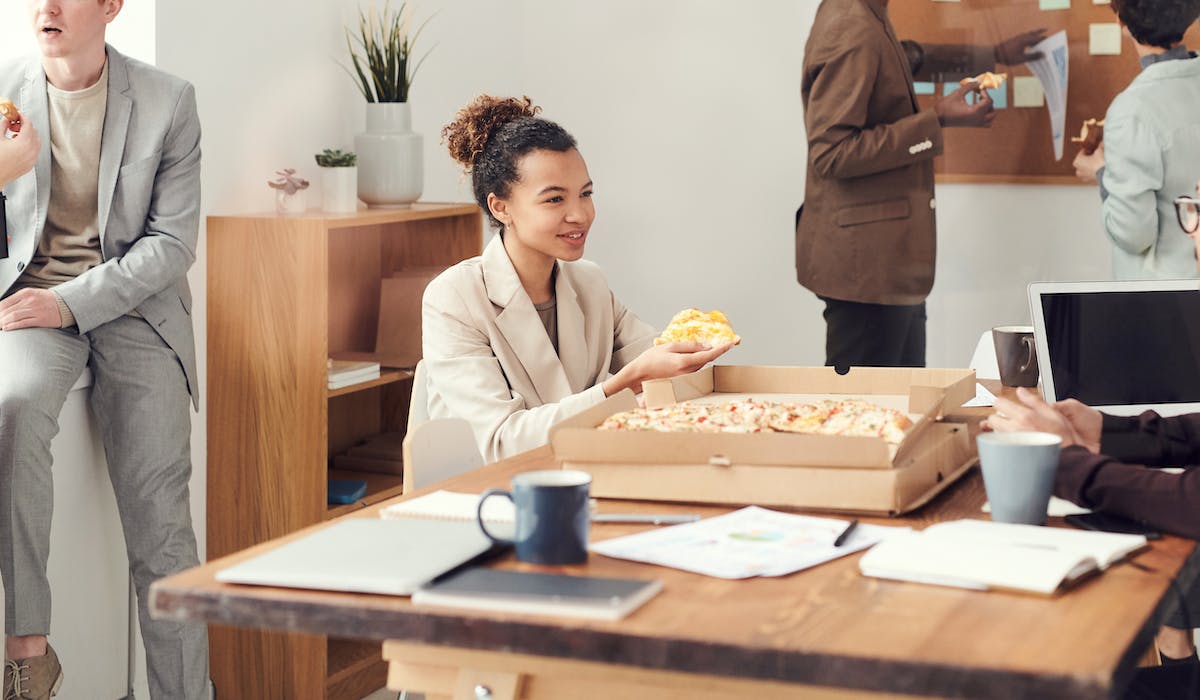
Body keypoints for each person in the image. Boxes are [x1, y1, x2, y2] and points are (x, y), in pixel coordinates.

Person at [0, 0, 208, 698]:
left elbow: (172, 245)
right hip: (30, 302)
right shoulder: (2, 91)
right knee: (13, 406)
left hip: (134, 310)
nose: (45, 8)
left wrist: (72, 301)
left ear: (112, 6)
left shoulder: (167, 99)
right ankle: (28, 648)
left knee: (161, 524)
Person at [425, 95, 733, 463]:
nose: (579, 214)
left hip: (584, 471)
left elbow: (658, 358)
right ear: (500, 207)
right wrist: (624, 385)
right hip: (490, 493)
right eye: (555, 200)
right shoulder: (455, 298)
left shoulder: (590, 283)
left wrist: (695, 344)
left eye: (585, 194)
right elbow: (501, 442)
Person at [797, 0, 1046, 370]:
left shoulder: (866, 13)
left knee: (905, 404)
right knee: (867, 413)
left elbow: (902, 57)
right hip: (867, 269)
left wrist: (991, 54)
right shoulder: (852, 27)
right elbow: (832, 153)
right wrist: (937, 120)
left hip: (887, 263)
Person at [1071, 0, 1200, 280]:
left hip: (1167, 300)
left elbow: (1133, 233)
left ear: (1122, 22)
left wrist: (1101, 173)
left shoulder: (1132, 111)